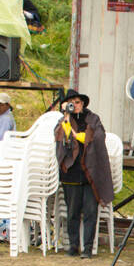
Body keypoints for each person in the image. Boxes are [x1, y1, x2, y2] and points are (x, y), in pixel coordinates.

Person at [54, 91, 113, 257]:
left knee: (90, 212)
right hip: (71, 173)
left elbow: (98, 137)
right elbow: (61, 139)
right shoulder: (64, 120)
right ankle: (73, 246)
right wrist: (66, 118)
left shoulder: (93, 119)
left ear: (83, 103)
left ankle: (87, 248)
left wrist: (78, 136)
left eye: (78, 102)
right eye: (71, 102)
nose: (75, 105)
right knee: (72, 212)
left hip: (90, 173)